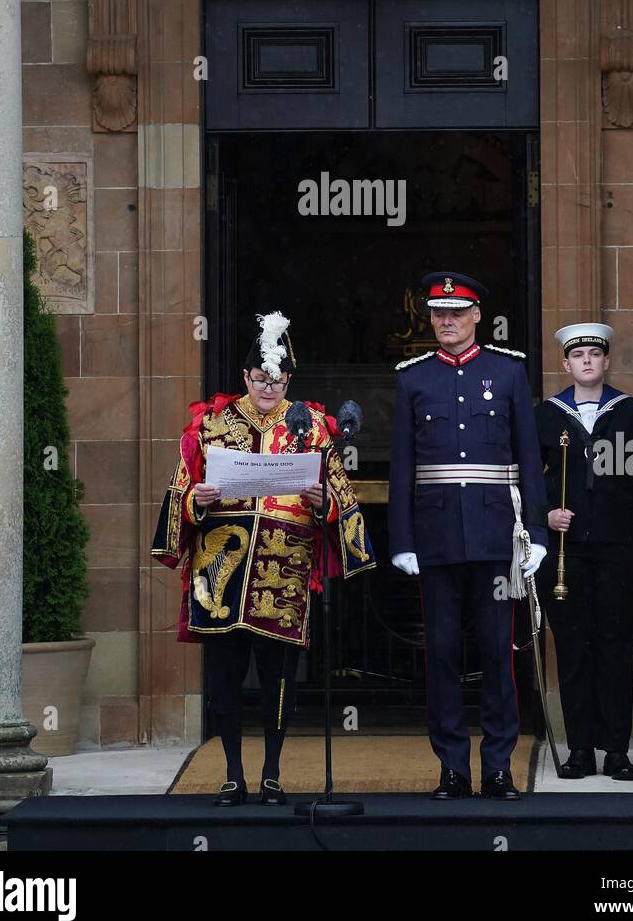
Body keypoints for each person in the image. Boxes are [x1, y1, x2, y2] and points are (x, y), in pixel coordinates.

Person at [152, 311, 375, 806]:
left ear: (288, 379)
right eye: (258, 378)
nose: (267, 387)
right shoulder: (211, 423)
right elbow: (179, 490)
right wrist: (197, 501)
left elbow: (341, 493)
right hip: (222, 567)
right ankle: (232, 773)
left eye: (276, 379)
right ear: (245, 378)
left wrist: (325, 504)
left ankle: (272, 773)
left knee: (279, 678)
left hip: (284, 566)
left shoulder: (313, 424)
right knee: (226, 677)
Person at [389, 272, 548, 801]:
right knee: (442, 655)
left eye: (456, 313)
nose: (447, 321)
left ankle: (498, 766)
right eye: (438, 314)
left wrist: (540, 534)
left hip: (496, 535)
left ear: (477, 315)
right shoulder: (413, 379)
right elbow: (402, 469)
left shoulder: (507, 373)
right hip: (435, 538)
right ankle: (452, 768)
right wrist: (402, 540)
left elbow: (530, 458)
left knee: (499, 655)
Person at [534, 323, 633, 782]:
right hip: (564, 553)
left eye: (594, 353)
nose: (587, 361)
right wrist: (547, 515)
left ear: (607, 361)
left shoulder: (629, 412)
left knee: (615, 646)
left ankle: (616, 752)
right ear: (565, 364)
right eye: (578, 355)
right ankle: (580, 751)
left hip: (620, 550)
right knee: (572, 649)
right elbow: (528, 481)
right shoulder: (547, 415)